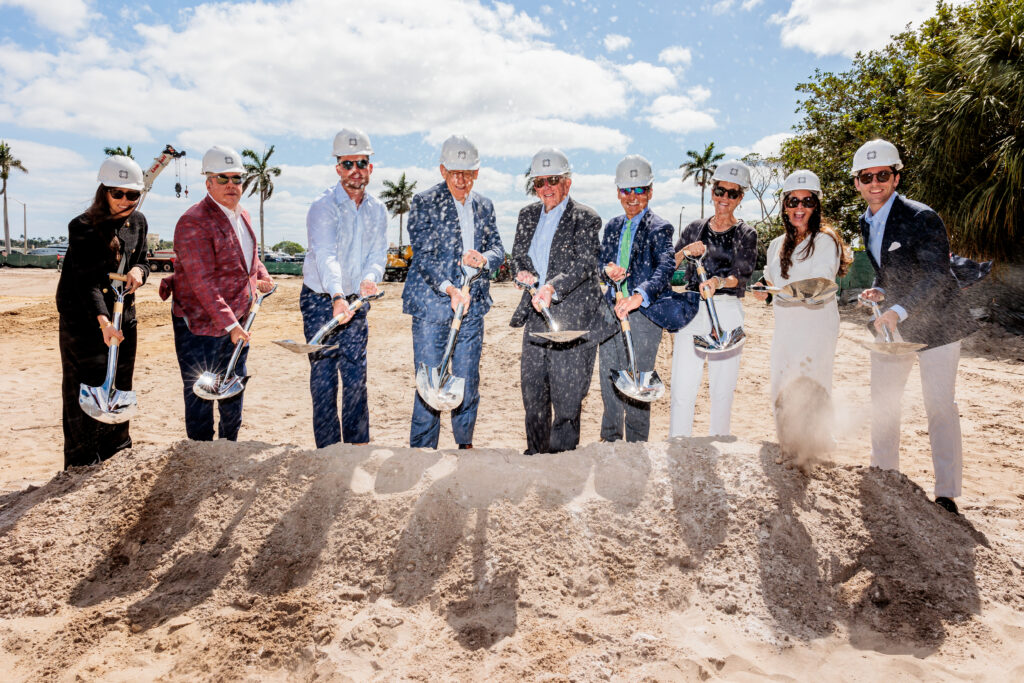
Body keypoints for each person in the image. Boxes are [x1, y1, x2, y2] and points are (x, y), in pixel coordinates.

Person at [852, 139, 978, 515]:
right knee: (884, 402)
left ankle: (946, 493)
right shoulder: (866, 220)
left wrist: (898, 310)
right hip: (895, 325)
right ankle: (885, 475)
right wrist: (881, 291)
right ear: (857, 182)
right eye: (866, 176)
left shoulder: (922, 217)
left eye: (883, 175)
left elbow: (937, 274)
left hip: (938, 326)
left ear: (896, 176)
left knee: (939, 406)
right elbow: (890, 271)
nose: (875, 183)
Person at [161, 145, 274, 441]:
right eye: (222, 178)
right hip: (199, 326)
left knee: (233, 385)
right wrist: (231, 324)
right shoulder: (193, 221)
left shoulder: (242, 214)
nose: (231, 185)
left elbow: (249, 258)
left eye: (236, 179)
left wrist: (261, 276)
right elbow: (202, 281)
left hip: (237, 320)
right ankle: (200, 455)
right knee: (202, 389)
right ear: (208, 182)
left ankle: (228, 447)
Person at [402, 135, 504, 449]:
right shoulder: (424, 201)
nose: (461, 180)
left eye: (468, 173)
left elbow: (499, 248)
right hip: (433, 307)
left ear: (477, 172)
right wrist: (450, 289)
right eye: (454, 172)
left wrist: (485, 259)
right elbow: (424, 256)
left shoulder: (485, 205)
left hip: (472, 307)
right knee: (429, 380)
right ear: (443, 170)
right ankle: (422, 449)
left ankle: (464, 444)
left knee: (467, 378)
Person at [511, 148, 616, 454]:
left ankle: (561, 460)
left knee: (567, 397)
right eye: (539, 182)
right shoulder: (526, 216)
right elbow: (519, 254)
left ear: (567, 183)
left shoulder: (586, 217)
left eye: (552, 180)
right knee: (533, 393)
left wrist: (552, 288)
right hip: (535, 314)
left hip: (573, 317)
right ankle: (536, 453)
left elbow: (584, 264)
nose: (546, 188)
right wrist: (524, 273)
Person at [751, 170, 852, 465]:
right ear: (784, 204)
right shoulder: (775, 245)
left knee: (811, 377)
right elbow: (769, 280)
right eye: (793, 200)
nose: (799, 207)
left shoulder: (825, 240)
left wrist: (779, 291)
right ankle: (789, 441)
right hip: (786, 325)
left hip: (816, 323)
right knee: (783, 377)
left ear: (816, 205)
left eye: (807, 201)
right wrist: (762, 289)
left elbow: (818, 284)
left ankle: (812, 444)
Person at [56, 155, 150, 469]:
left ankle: (117, 454)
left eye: (132, 194)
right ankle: (81, 462)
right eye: (117, 193)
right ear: (103, 191)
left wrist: (139, 271)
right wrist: (103, 322)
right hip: (84, 319)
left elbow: (144, 260)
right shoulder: (82, 226)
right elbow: (86, 282)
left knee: (119, 384)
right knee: (83, 386)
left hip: (124, 316)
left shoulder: (138, 222)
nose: (125, 200)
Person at [301, 127, 387, 447]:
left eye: (361, 163)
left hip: (355, 299)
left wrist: (370, 279)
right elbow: (326, 255)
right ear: (338, 168)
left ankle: (356, 447)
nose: (355, 171)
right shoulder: (322, 206)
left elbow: (378, 254)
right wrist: (337, 295)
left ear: (370, 168)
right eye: (348, 164)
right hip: (320, 299)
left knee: (355, 377)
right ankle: (328, 452)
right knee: (323, 379)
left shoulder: (378, 209)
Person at [669, 159, 757, 437]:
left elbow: (741, 276)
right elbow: (669, 265)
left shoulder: (746, 233)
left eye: (732, 193)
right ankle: (678, 442)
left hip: (727, 310)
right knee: (683, 384)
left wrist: (718, 282)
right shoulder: (694, 228)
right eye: (720, 191)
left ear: (740, 197)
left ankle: (719, 440)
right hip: (692, 307)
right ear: (712, 191)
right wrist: (684, 253)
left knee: (722, 388)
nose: (724, 199)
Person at [597, 155, 676, 442]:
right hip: (610, 311)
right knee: (609, 378)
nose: (632, 197)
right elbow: (600, 262)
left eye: (640, 190)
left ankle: (637, 444)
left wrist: (640, 295)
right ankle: (610, 438)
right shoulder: (613, 226)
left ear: (650, 192)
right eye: (626, 190)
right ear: (618, 192)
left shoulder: (660, 227)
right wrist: (606, 269)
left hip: (643, 316)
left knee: (639, 379)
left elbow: (666, 267)